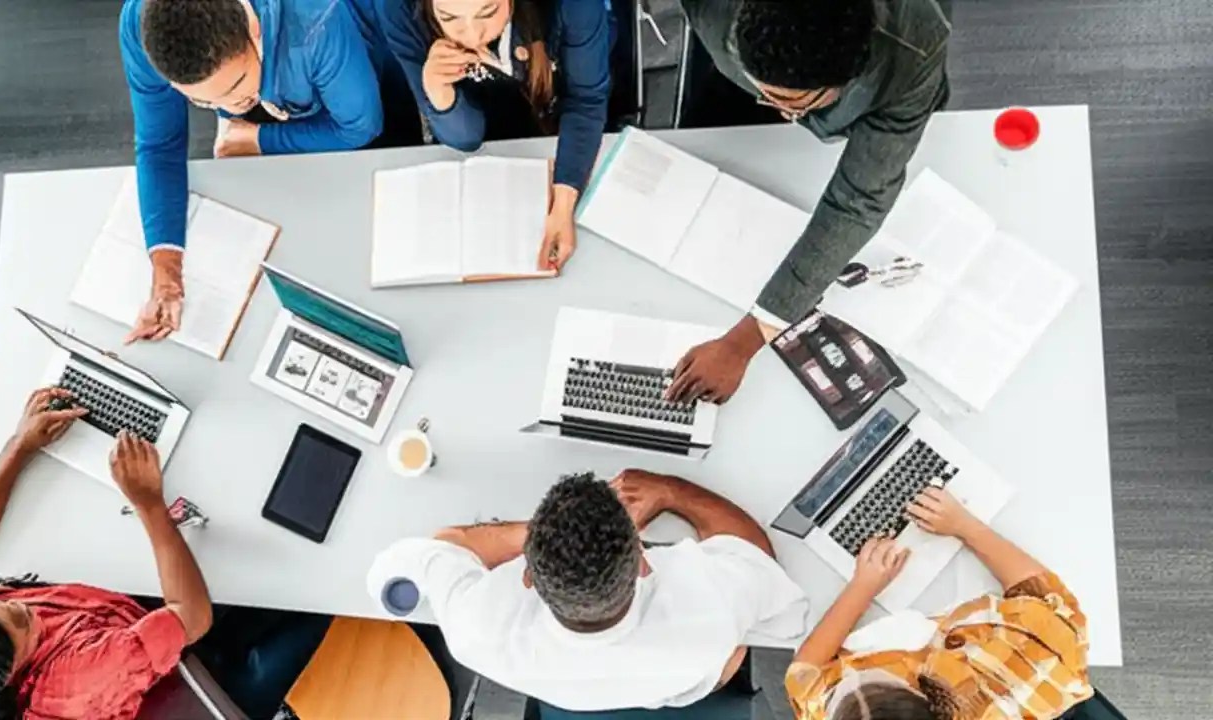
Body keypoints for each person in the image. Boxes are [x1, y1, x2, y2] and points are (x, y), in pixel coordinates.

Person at [0, 387, 329, 720]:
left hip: (113, 604)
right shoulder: (74, 684)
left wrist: (19, 446)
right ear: (7, 676)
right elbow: (190, 616)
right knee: (312, 569)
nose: (19, 606)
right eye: (20, 623)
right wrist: (149, 504)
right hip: (180, 648)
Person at [662, 0, 953, 406]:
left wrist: (742, 342)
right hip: (728, 70)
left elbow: (857, 201)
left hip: (874, 83)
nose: (784, 115)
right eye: (773, 98)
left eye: (797, 105)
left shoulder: (916, 45)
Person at [368, 470, 808, 712]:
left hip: (573, 694)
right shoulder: (709, 601)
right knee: (733, 653)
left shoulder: (475, 627)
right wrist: (671, 490)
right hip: (680, 682)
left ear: (528, 576)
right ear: (642, 560)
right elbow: (755, 557)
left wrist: (545, 536)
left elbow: (446, 545)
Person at [120, 0, 417, 345]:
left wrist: (260, 139)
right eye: (202, 102)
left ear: (253, 28)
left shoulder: (317, 18)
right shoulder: (141, 25)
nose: (230, 108)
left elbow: (360, 126)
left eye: (235, 87)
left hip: (361, 72)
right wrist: (166, 271)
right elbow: (159, 146)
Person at [787, 487, 1093, 720]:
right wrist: (967, 528)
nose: (850, 676)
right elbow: (1046, 597)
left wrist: (862, 587)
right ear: (931, 699)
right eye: (867, 677)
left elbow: (805, 676)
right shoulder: (1023, 684)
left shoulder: (829, 707)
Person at [379, 0, 615, 273]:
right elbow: (466, 138)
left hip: (558, 121)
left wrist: (563, 205)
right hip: (481, 138)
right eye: (449, 17)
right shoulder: (396, 6)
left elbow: (585, 101)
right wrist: (438, 91)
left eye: (488, 12)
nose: (472, 35)